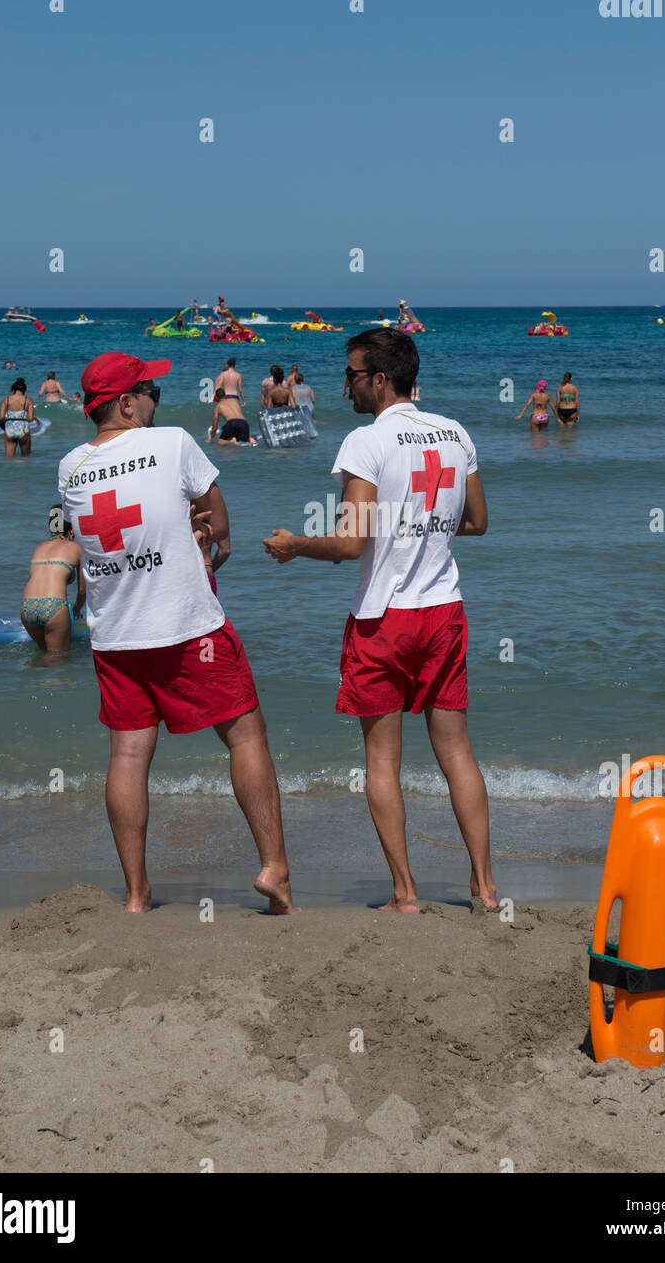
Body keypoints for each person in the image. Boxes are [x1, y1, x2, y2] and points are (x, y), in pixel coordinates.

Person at [263, 328, 497, 915]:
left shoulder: (365, 443)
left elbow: (348, 545)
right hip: (443, 610)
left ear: (380, 379)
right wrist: (421, 528)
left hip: (384, 619)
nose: (345, 385)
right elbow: (476, 522)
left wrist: (295, 545)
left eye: (352, 375)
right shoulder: (456, 433)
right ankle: (486, 890)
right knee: (458, 754)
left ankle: (405, 894)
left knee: (383, 761)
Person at [58, 350, 297, 915]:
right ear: (126, 403)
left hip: (115, 636)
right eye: (150, 392)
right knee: (245, 734)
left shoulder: (69, 466)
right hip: (189, 628)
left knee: (130, 754)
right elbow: (214, 519)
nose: (155, 402)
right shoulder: (172, 443)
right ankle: (275, 872)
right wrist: (218, 543)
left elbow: (96, 536)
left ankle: (137, 894)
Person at [20, 507, 85, 653]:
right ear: (72, 531)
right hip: (53, 606)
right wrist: (77, 609)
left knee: (43, 656)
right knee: (58, 661)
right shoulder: (76, 548)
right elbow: (82, 591)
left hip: (27, 607)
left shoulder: (40, 547)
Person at [0, 378, 36, 458]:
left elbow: (1, 417)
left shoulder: (6, 400)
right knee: (26, 459)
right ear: (24, 389)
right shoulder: (28, 400)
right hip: (23, 429)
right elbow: (31, 418)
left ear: (13, 389)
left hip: (10, 429)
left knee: (8, 459)